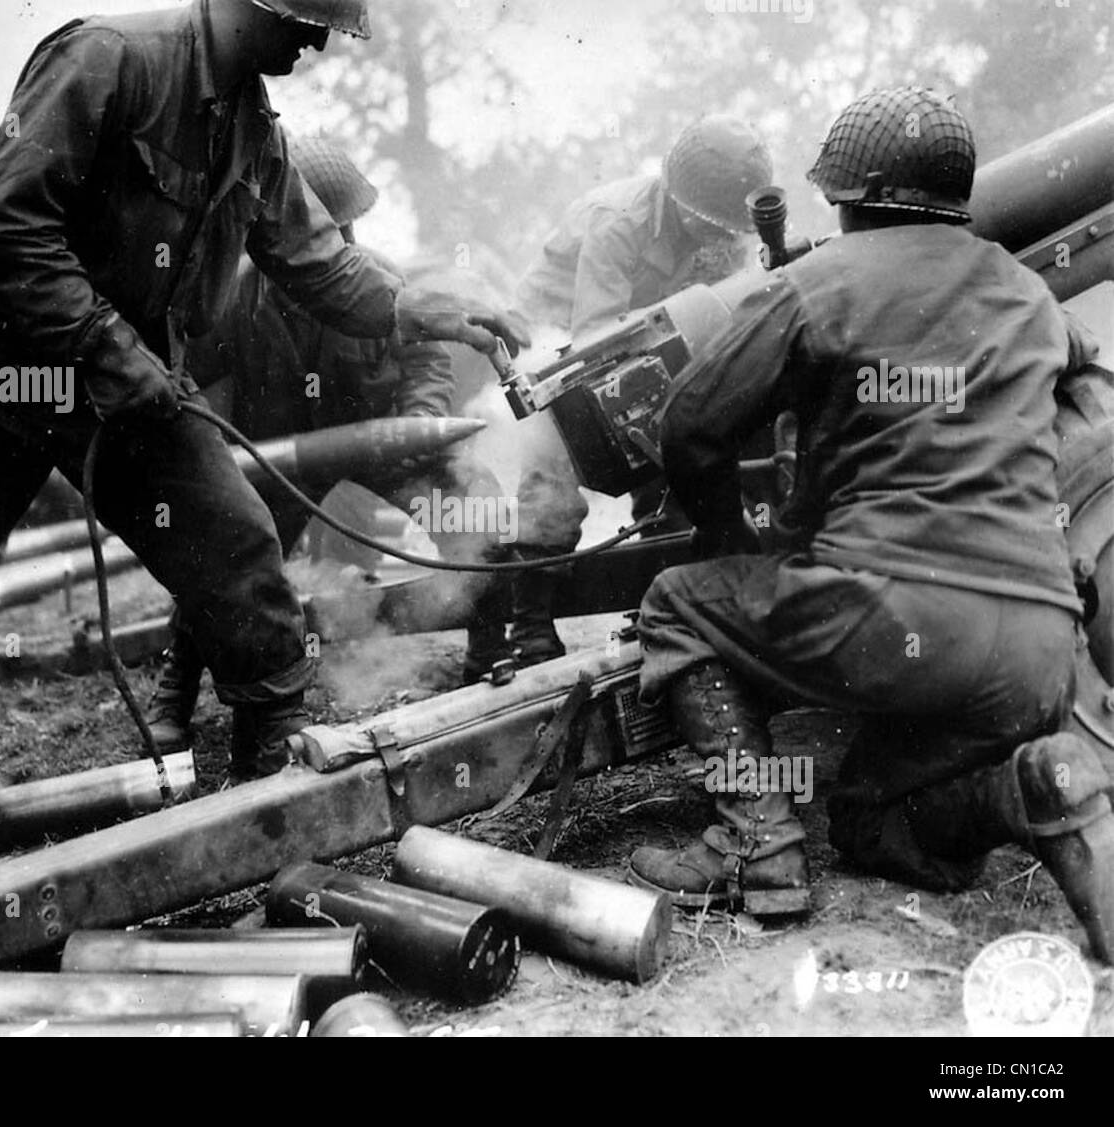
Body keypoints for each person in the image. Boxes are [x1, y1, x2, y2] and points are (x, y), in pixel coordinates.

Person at [0, 0, 525, 842]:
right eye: (303, 19)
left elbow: (317, 264)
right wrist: (111, 351)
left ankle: (274, 789)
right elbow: (2, 223)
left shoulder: (255, 131)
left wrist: (417, 304)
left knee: (235, 539)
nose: (319, 39)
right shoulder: (108, 58)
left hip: (123, 384)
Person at [628, 88, 1114, 962]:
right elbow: (1087, 375)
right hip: (1041, 652)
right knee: (866, 815)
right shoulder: (1027, 294)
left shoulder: (811, 287)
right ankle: (1033, 790)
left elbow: (687, 427)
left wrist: (733, 534)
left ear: (846, 198)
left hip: (898, 623)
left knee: (676, 602)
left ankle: (754, 840)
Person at [146, 134, 512, 760]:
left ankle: (494, 644)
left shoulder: (384, 283)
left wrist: (419, 425)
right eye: (318, 231)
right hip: (284, 458)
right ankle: (173, 693)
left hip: (381, 444)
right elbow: (187, 374)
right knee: (219, 552)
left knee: (475, 502)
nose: (331, 243)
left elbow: (427, 364)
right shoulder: (235, 295)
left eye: (340, 230)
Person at [509, 117, 773, 667]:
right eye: (705, 224)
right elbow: (594, 341)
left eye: (726, 230)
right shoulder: (618, 223)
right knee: (557, 460)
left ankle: (662, 604)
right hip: (560, 340)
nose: (716, 239)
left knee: (684, 440)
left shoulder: (722, 228)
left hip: (649, 337)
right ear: (675, 197)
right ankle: (528, 628)